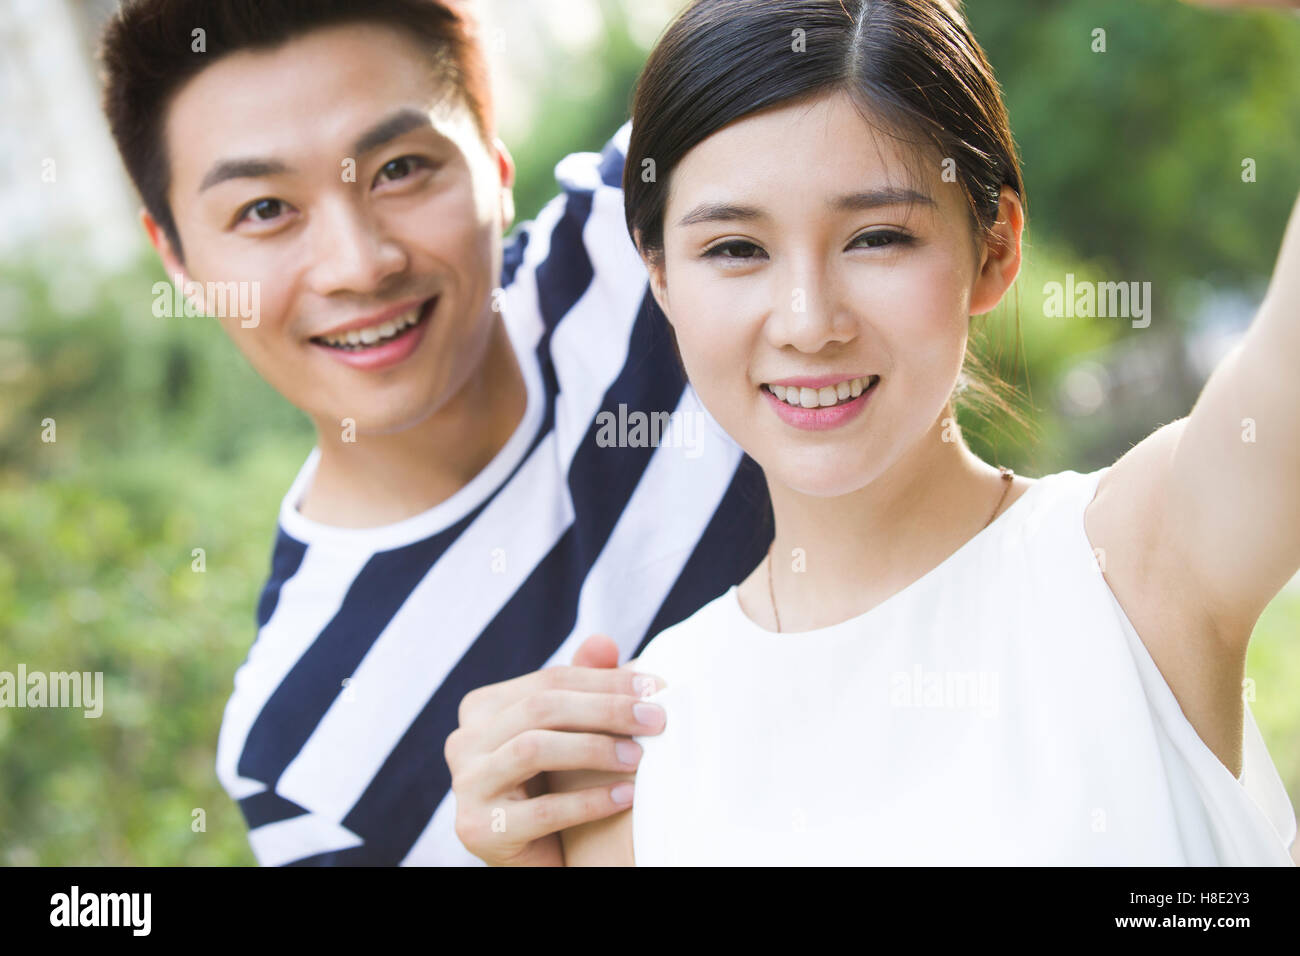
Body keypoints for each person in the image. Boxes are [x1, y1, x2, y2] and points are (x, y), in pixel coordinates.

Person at [553, 0, 1300, 865]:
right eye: (733, 249)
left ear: (995, 251)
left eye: (876, 237)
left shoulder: (1144, 558)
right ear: (662, 282)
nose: (807, 322)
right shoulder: (636, 748)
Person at [97, 0, 772, 865]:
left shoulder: (663, 231)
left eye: (401, 167)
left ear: (493, 156)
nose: (359, 264)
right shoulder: (295, 756)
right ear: (179, 259)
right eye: (265, 210)